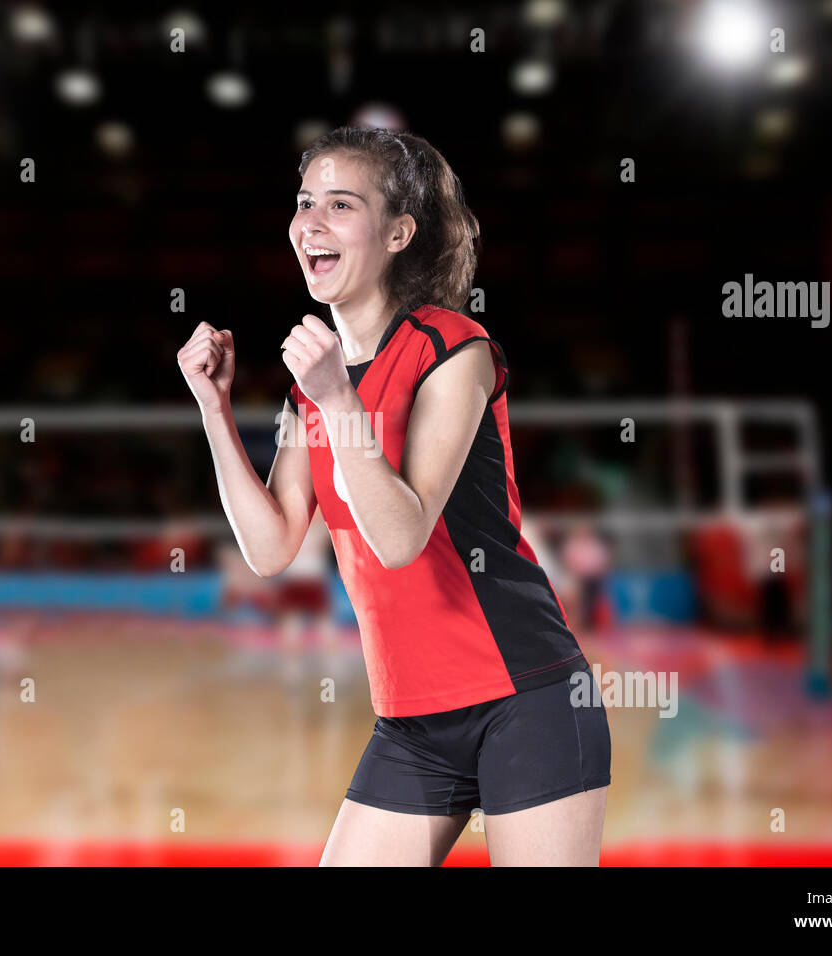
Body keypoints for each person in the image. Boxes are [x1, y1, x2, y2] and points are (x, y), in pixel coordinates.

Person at [177, 127, 609, 866]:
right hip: (411, 723)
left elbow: (402, 535)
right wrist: (214, 410)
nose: (310, 222)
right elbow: (273, 547)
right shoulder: (311, 390)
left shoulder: (455, 348)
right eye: (305, 202)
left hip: (526, 697)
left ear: (399, 232)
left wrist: (339, 404)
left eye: (341, 205)